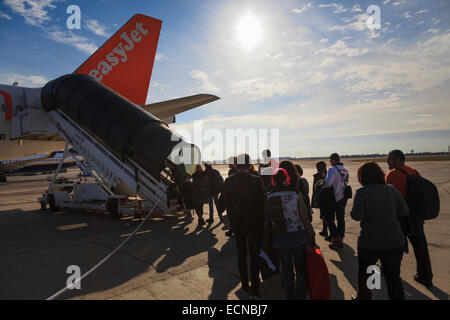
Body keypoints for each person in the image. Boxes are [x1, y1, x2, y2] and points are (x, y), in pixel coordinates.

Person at [351, 162, 409, 300]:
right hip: (394, 241)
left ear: (362, 177)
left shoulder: (362, 193)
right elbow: (405, 211)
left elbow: (356, 216)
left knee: (369, 273)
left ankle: (366, 296)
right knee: (393, 277)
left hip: (371, 242)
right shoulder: (392, 190)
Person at [264, 168, 315, 300]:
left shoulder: (269, 196)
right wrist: (311, 234)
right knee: (300, 269)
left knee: (287, 270)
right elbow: (304, 216)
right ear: (286, 178)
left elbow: (267, 219)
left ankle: (290, 295)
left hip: (280, 239)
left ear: (273, 180)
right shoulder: (295, 193)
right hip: (298, 237)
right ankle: (300, 295)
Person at [386, 150, 434, 287]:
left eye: (389, 159)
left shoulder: (392, 174)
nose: (387, 161)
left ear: (398, 159)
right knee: (420, 247)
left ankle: (391, 271)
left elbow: (389, 199)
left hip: (400, 217)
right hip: (415, 216)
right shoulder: (414, 172)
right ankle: (426, 276)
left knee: (393, 247)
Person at [222, 153, 265, 298]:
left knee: (241, 255)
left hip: (238, 223)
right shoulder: (256, 180)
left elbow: (227, 205)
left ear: (236, 165)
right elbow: (261, 204)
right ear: (249, 164)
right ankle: (256, 288)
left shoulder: (228, 181)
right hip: (254, 223)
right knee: (254, 256)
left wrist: (233, 222)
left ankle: (245, 285)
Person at [323, 153, 350, 250]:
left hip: (334, 197)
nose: (330, 162)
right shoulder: (345, 169)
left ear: (333, 160)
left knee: (329, 218)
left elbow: (328, 183)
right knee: (340, 218)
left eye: (330, 160)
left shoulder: (332, 169)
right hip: (344, 197)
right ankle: (340, 239)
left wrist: (322, 185)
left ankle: (336, 237)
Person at [311, 161, 329, 240]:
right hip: (329, 198)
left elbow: (315, 189)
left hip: (321, 198)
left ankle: (325, 230)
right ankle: (325, 230)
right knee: (328, 215)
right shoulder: (328, 174)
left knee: (323, 215)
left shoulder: (317, 176)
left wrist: (315, 199)